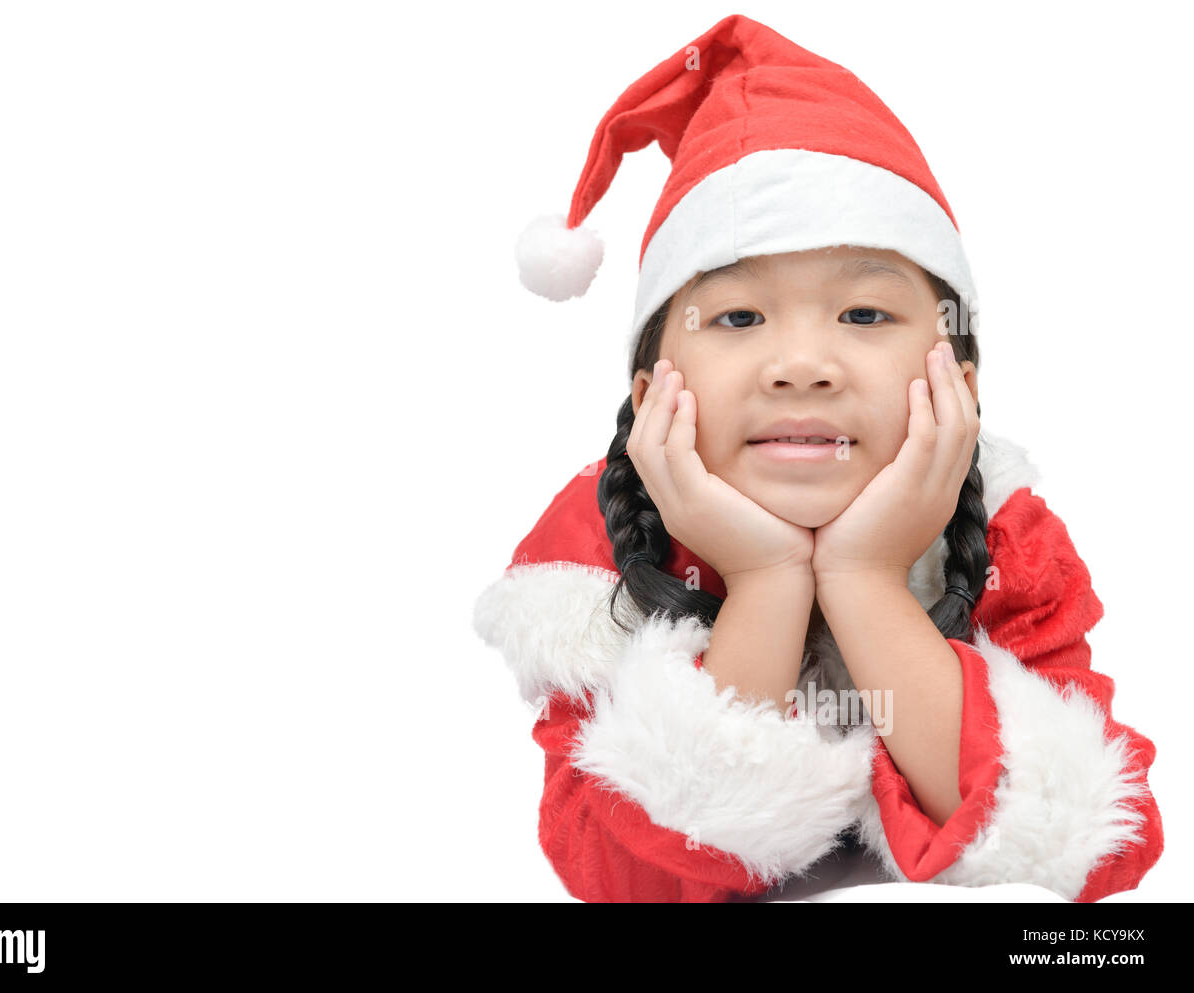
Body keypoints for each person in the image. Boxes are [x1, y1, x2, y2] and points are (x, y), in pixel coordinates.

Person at [471, 13, 1164, 903]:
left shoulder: (1003, 530)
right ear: (647, 395)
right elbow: (620, 876)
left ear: (958, 381)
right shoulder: (596, 551)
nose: (801, 366)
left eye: (865, 314)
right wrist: (765, 582)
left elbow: (1090, 838)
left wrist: (867, 579)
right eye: (737, 317)